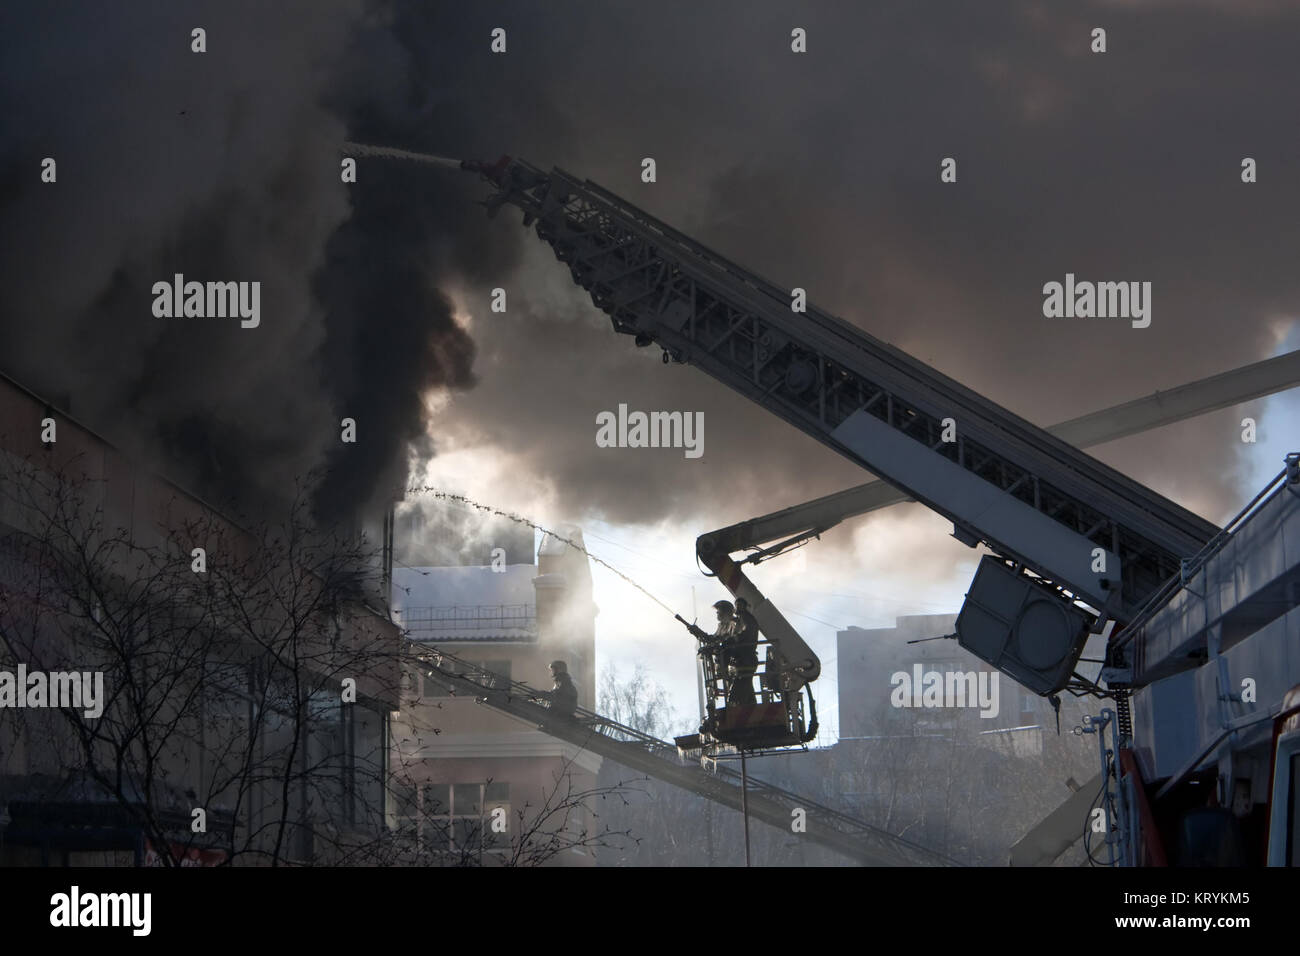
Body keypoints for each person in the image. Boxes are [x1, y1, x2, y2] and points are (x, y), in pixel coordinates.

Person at [729, 598, 759, 706]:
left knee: (741, 683)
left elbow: (747, 633)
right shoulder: (741, 619)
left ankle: (744, 705)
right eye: (737, 605)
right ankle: (751, 705)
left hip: (746, 658)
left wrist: (734, 639)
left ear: (744, 606)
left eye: (740, 605)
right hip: (744, 659)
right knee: (745, 683)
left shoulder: (747, 618)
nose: (738, 607)